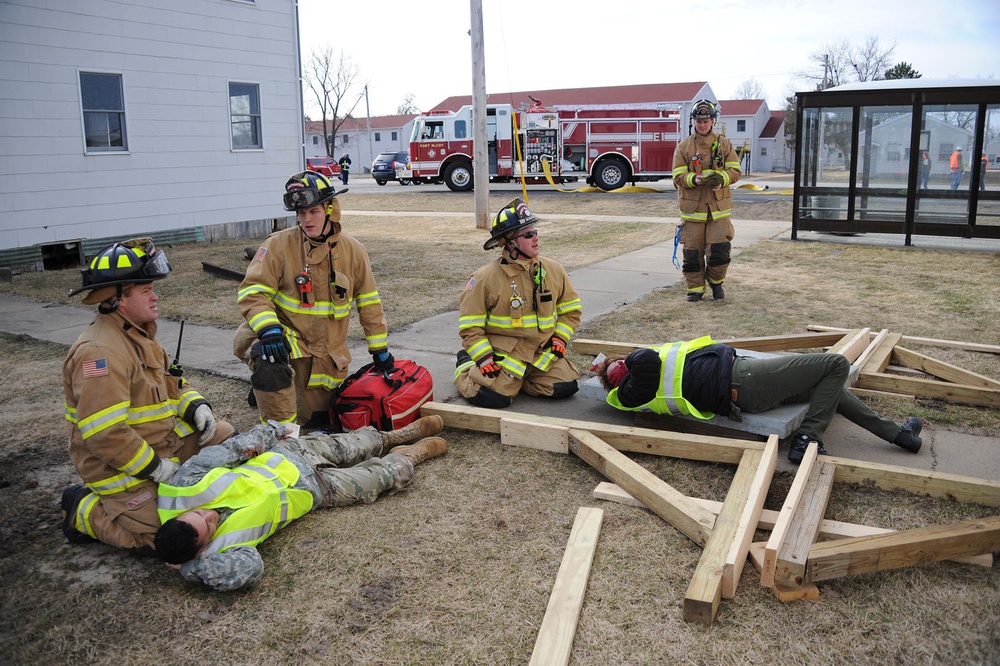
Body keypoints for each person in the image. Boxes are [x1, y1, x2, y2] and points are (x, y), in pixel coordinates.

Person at [61, 238, 235, 552]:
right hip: (122, 467)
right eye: (146, 291)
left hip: (163, 445)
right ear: (117, 299)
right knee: (163, 539)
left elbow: (172, 385)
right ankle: (83, 510)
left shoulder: (139, 333)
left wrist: (196, 406)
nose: (155, 297)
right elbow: (104, 434)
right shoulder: (100, 353)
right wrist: (155, 469)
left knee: (227, 437)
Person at [153, 416, 447, 591]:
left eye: (199, 514)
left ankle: (398, 435)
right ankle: (411, 455)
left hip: (289, 453)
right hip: (314, 491)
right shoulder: (221, 553)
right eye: (208, 527)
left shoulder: (183, 486)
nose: (209, 516)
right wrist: (190, 569)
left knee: (358, 443)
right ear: (202, 549)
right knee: (380, 479)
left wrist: (272, 431)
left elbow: (231, 448)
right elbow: (249, 571)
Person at [592, 337, 924, 464]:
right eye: (618, 366)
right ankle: (809, 436)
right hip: (746, 381)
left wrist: (610, 367)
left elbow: (643, 366)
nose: (623, 363)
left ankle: (898, 435)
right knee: (835, 364)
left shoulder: (634, 389)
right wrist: (618, 362)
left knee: (827, 387)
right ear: (620, 375)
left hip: (745, 383)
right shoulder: (632, 386)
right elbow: (645, 359)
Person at [234, 170, 393, 427]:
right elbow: (253, 292)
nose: (306, 219)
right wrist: (269, 330)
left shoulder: (354, 251)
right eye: (301, 213)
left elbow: (369, 303)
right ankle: (281, 438)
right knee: (269, 361)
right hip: (286, 341)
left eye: (313, 211)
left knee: (316, 418)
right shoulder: (277, 245)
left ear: (330, 209)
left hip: (325, 361)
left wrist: (380, 350)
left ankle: (269, 391)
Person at [454, 198, 582, 409]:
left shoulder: (555, 270)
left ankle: (517, 382)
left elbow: (571, 311)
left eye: (535, 232)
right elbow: (470, 327)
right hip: (504, 355)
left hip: (540, 354)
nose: (536, 239)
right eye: (528, 234)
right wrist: (484, 357)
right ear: (509, 243)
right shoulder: (484, 278)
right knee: (493, 398)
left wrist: (560, 337)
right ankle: (466, 365)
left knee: (565, 387)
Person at [672, 99, 742, 302]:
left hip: (718, 210)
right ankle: (695, 289)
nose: (702, 124)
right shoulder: (683, 147)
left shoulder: (724, 145)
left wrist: (722, 179)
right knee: (692, 253)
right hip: (693, 211)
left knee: (720, 252)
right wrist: (694, 179)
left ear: (713, 121)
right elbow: (677, 176)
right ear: (693, 122)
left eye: (706, 120)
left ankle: (716, 284)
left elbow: (735, 171)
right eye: (698, 121)